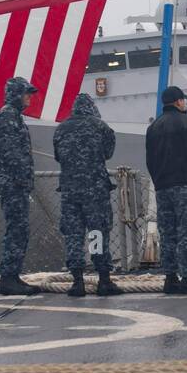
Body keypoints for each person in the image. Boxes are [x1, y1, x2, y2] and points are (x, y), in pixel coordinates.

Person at [145, 85, 187, 295]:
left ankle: (170, 277)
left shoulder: (153, 127)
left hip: (163, 188)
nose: (185, 103)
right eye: (183, 100)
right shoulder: (186, 123)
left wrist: (158, 181)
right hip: (184, 186)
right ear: (178, 102)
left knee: (168, 232)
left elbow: (150, 160)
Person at [53, 92, 122, 298]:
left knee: (74, 235)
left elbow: (58, 157)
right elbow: (108, 153)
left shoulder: (61, 129)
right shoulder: (100, 126)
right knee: (96, 234)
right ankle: (103, 280)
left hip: (70, 191)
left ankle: (77, 281)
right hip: (95, 191)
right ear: (92, 108)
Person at [0, 76, 41, 297]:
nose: (29, 98)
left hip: (15, 183)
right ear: (16, 95)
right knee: (17, 229)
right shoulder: (9, 116)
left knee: (19, 229)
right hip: (14, 184)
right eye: (26, 93)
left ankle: (12, 275)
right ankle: (8, 278)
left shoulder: (12, 116)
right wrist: (23, 179)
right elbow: (12, 153)